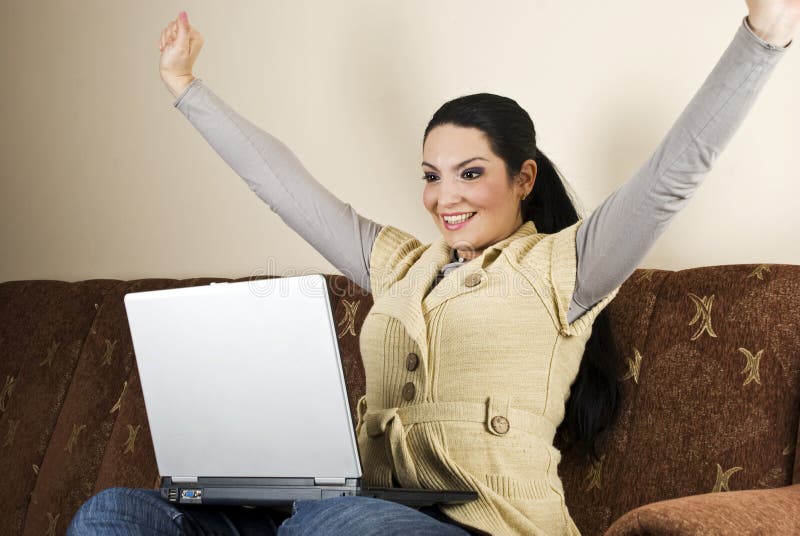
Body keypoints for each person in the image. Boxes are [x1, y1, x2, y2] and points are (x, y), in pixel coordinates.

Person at [69, 2, 796, 535]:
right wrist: (186, 86)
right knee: (117, 513)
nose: (445, 197)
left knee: (334, 525)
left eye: (470, 173)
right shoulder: (399, 265)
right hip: (344, 516)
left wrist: (762, 39)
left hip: (476, 529)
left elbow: (671, 177)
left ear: (523, 178)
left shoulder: (565, 266)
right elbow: (286, 190)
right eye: (431, 176)